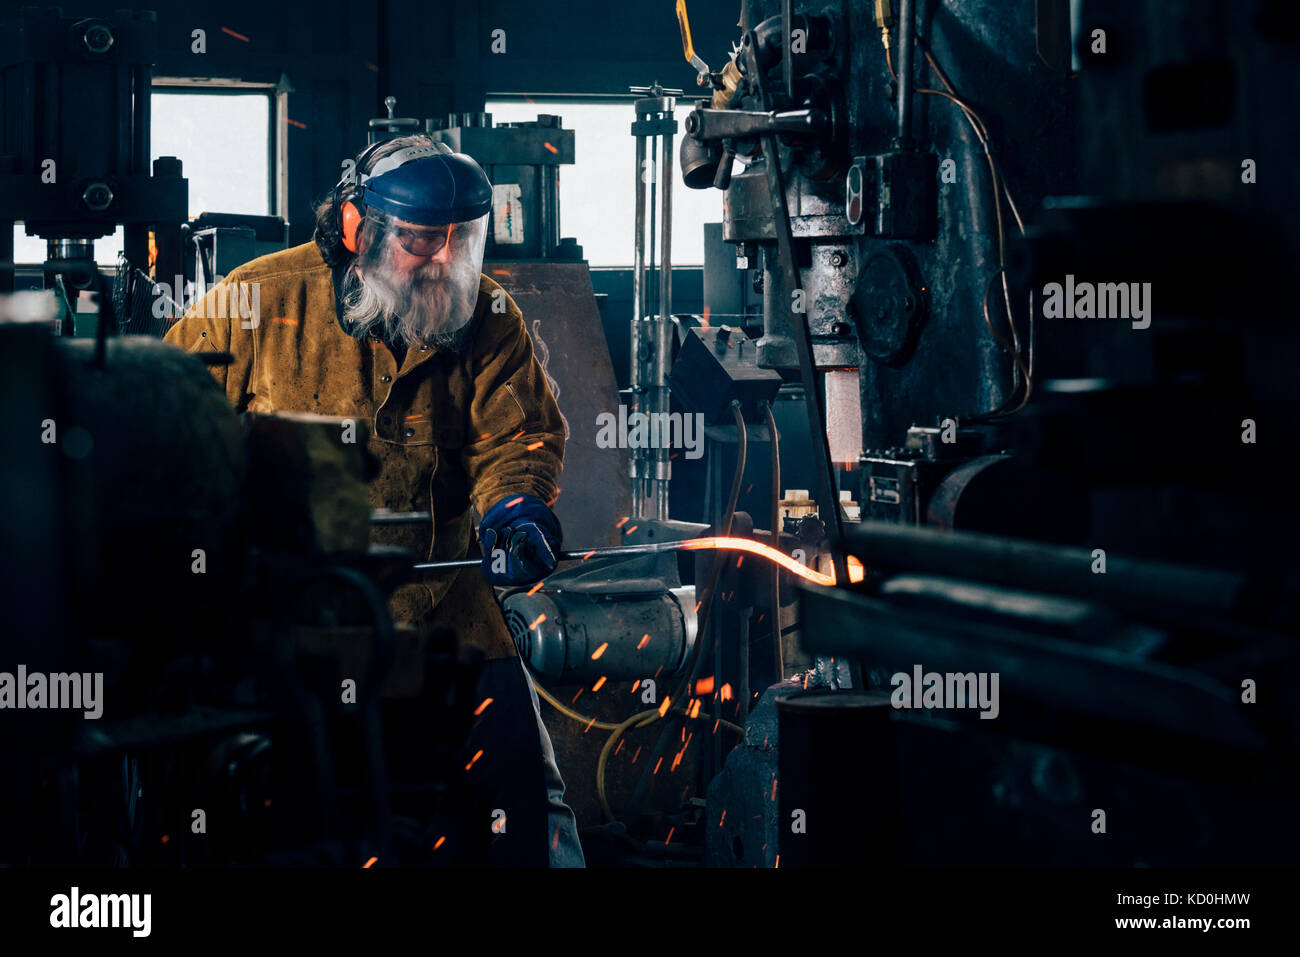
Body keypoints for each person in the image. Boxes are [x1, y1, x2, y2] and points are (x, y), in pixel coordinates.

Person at [164, 133, 584, 867]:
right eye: (423, 240)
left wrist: (515, 506)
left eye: (461, 241)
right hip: (295, 640)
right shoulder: (255, 302)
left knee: (523, 815)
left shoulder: (488, 315)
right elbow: (169, 418)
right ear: (358, 228)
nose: (444, 260)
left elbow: (516, 436)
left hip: (452, 624)